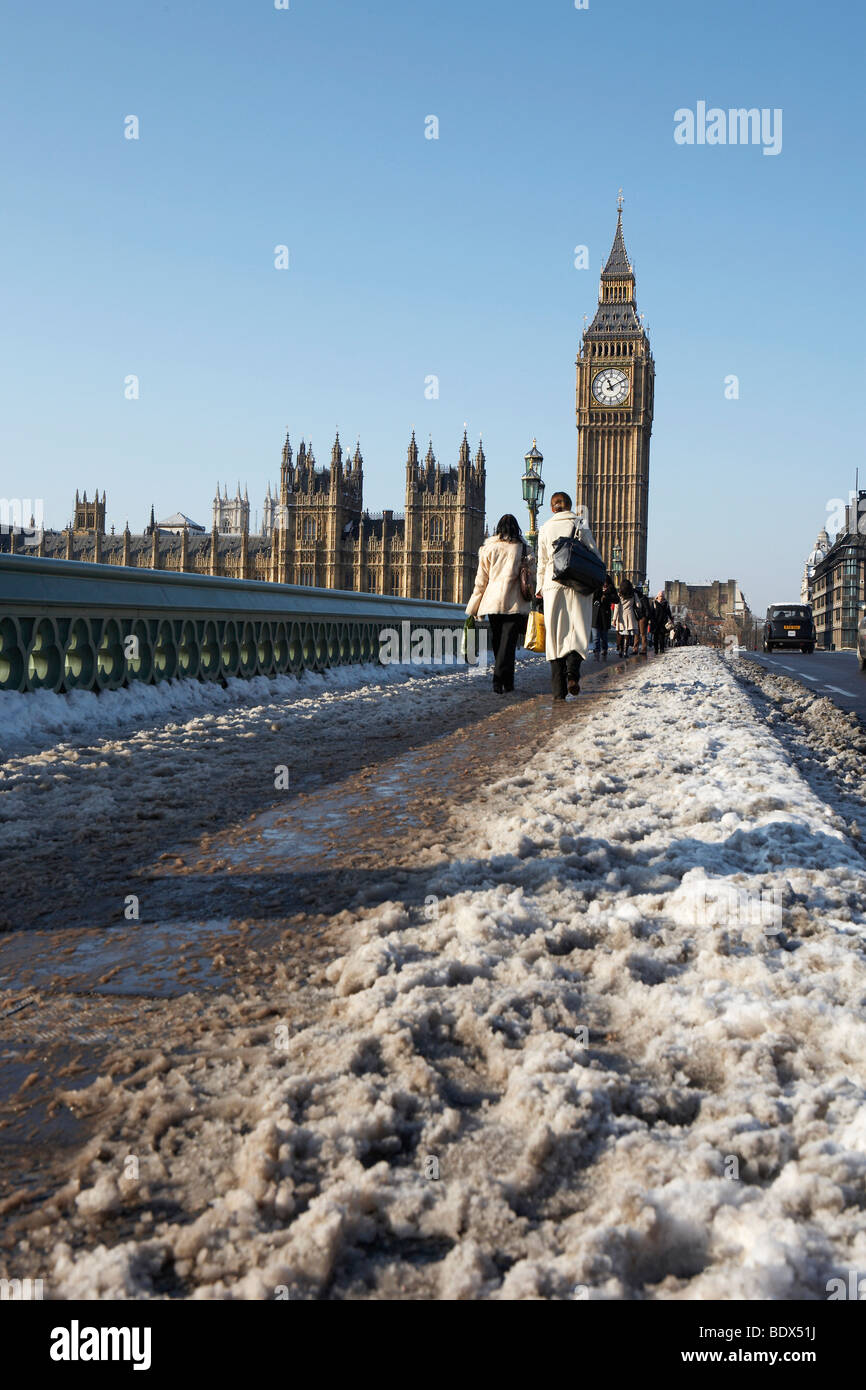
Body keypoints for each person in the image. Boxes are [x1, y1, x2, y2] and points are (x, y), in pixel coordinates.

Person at [536, 492, 601, 700]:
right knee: (577, 630)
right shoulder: (580, 524)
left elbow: (542, 562)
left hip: (552, 584)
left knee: (555, 635)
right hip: (578, 583)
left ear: (552, 508)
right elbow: (594, 553)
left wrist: (539, 588)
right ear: (570, 506)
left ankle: (558, 690)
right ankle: (573, 674)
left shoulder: (545, 528)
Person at [466, 513, 534, 694]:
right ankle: (501, 679)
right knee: (508, 644)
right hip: (515, 603)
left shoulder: (488, 549)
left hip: (493, 602)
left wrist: (474, 605)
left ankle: (504, 680)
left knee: (498, 641)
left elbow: (481, 581)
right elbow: (531, 578)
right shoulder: (525, 550)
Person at [593, 576, 617, 660]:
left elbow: (616, 600)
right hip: (596, 614)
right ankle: (596, 651)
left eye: (606, 582)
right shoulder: (596, 588)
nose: (604, 583)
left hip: (605, 615)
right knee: (596, 636)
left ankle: (604, 649)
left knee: (604, 636)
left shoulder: (611, 590)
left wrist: (607, 597)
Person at [614, 578, 639, 657]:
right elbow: (639, 605)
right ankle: (625, 651)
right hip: (630, 615)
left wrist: (614, 619)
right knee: (627, 635)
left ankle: (620, 650)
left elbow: (617, 607)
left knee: (620, 634)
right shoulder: (633, 594)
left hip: (621, 616)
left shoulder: (619, 595)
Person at [652, 590, 673, 655]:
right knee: (655, 637)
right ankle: (655, 649)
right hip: (655, 622)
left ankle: (661, 649)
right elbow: (651, 612)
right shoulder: (654, 603)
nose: (661, 597)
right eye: (660, 596)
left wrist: (671, 618)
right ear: (657, 596)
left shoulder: (666, 603)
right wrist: (651, 620)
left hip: (663, 622)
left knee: (662, 636)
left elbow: (668, 612)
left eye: (662, 596)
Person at [632, 584, 650, 655]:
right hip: (639, 617)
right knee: (639, 633)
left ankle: (641, 649)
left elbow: (647, 610)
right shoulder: (642, 598)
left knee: (641, 633)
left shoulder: (642, 598)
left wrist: (645, 618)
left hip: (642, 617)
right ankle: (640, 649)